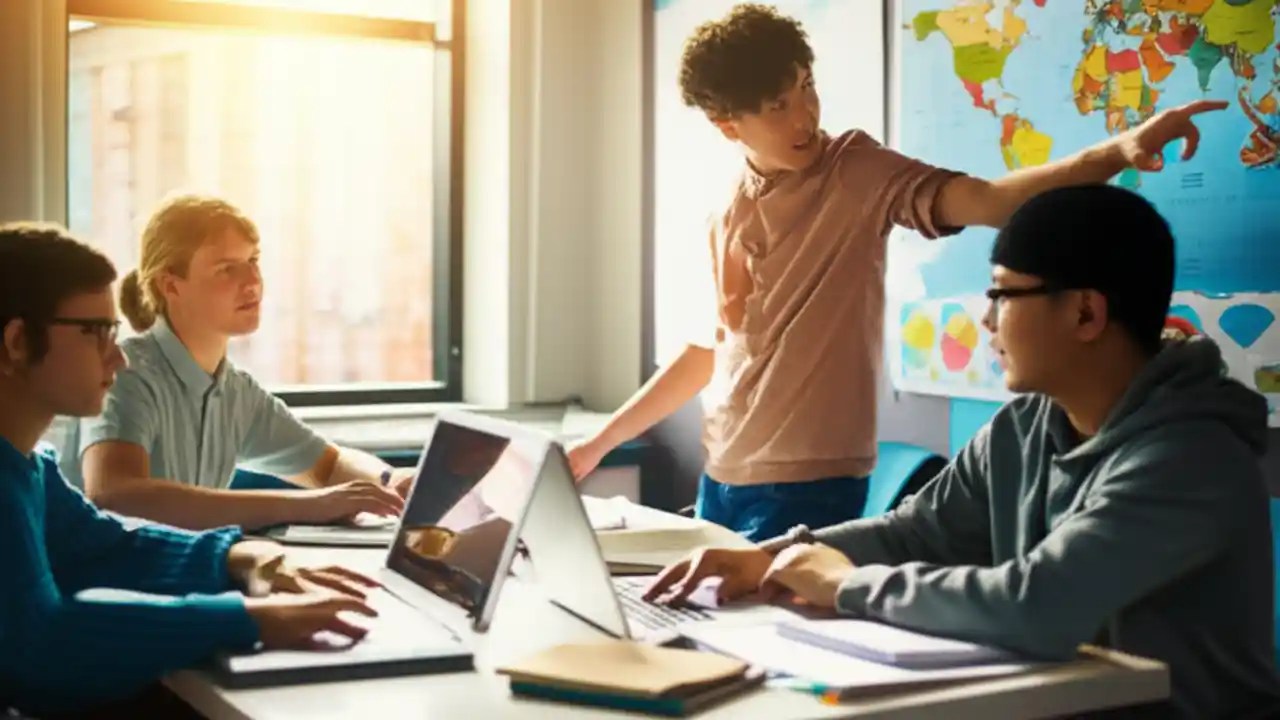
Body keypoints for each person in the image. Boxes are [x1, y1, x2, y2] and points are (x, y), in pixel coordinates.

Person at [565, 3, 1226, 541]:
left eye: (806, 89)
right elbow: (712, 351)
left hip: (810, 483)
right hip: (721, 475)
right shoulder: (726, 211)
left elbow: (993, 201)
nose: (805, 117)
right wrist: (598, 444)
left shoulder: (856, 171)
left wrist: (1119, 149)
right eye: (777, 106)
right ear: (725, 124)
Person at [643, 186, 1280, 719]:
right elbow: (915, 531)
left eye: (1003, 296)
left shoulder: (1192, 455)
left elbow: (1037, 605)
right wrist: (772, 559)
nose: (986, 321)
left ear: (1086, 314)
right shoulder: (1026, 426)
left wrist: (844, 584)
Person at [0, 223, 382, 718]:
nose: (116, 357)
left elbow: (102, 546)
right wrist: (245, 619)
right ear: (15, 342)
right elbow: (39, 645)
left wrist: (242, 559)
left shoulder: (30, 467)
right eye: (95, 333)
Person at [78, 194, 415, 531]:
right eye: (227, 269)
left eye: (253, 260)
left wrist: (390, 480)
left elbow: (327, 465)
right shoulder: (125, 372)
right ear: (170, 285)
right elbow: (115, 493)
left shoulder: (236, 392)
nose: (253, 282)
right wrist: (309, 505)